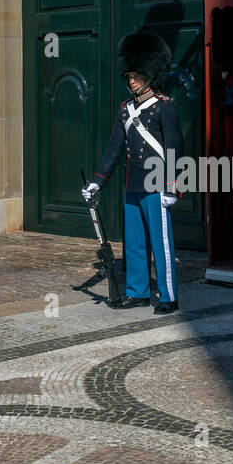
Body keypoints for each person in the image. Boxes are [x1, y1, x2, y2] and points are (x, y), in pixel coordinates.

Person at [82, 30, 182, 314]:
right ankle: (137, 292)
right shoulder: (125, 110)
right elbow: (114, 148)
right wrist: (98, 182)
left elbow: (175, 149)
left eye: (136, 75)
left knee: (161, 246)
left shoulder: (165, 108)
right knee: (135, 244)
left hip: (158, 184)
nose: (132, 79)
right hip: (133, 186)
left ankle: (168, 297)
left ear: (149, 75)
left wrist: (172, 187)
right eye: (129, 75)